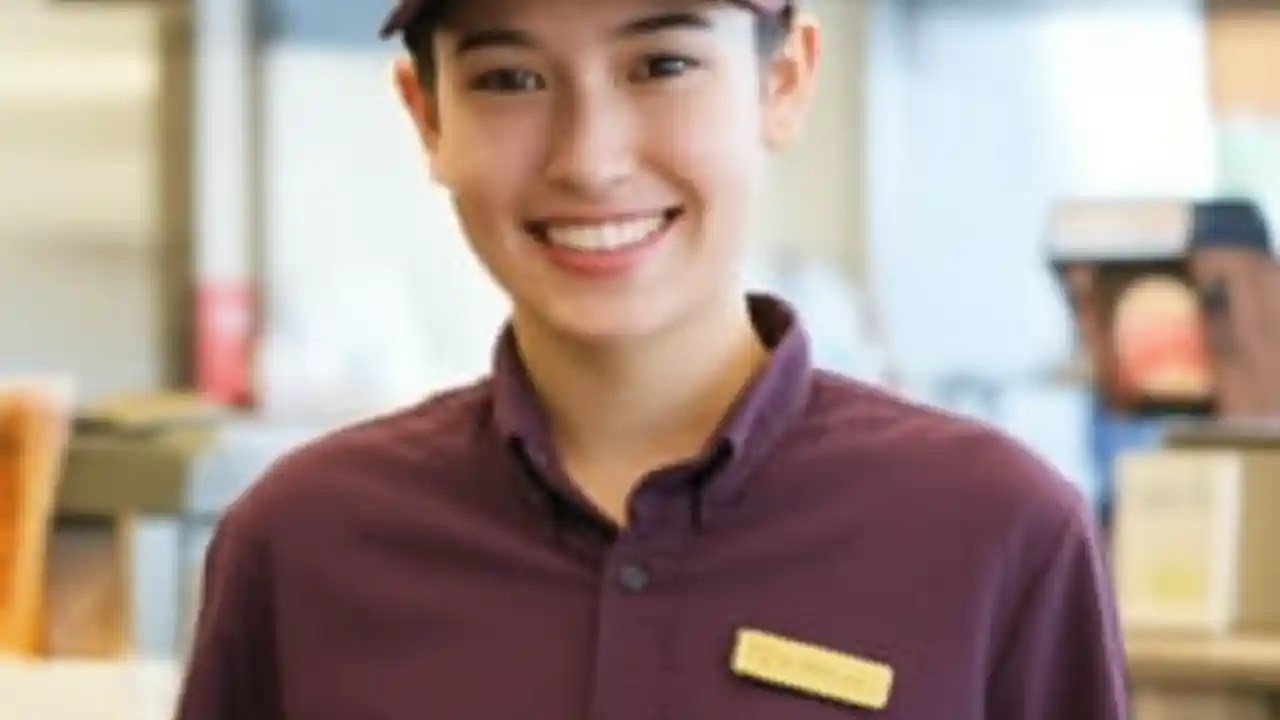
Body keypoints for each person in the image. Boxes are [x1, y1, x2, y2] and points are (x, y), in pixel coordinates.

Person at [174, 0, 1130, 717]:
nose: (589, 159)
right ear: (427, 116)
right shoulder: (301, 548)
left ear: (785, 78)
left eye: (662, 63)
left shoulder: (998, 537)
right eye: (510, 79)